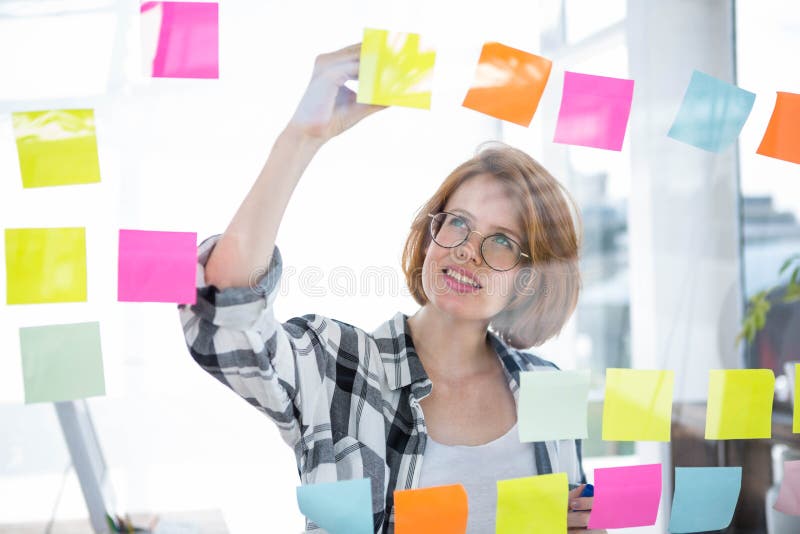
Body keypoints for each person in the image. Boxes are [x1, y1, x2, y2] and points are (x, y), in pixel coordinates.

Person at [178, 43, 603, 534]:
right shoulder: (340, 368)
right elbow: (224, 319)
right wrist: (301, 139)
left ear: (529, 279)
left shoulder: (547, 387)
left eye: (502, 242)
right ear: (430, 236)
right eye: (458, 223)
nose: (466, 250)